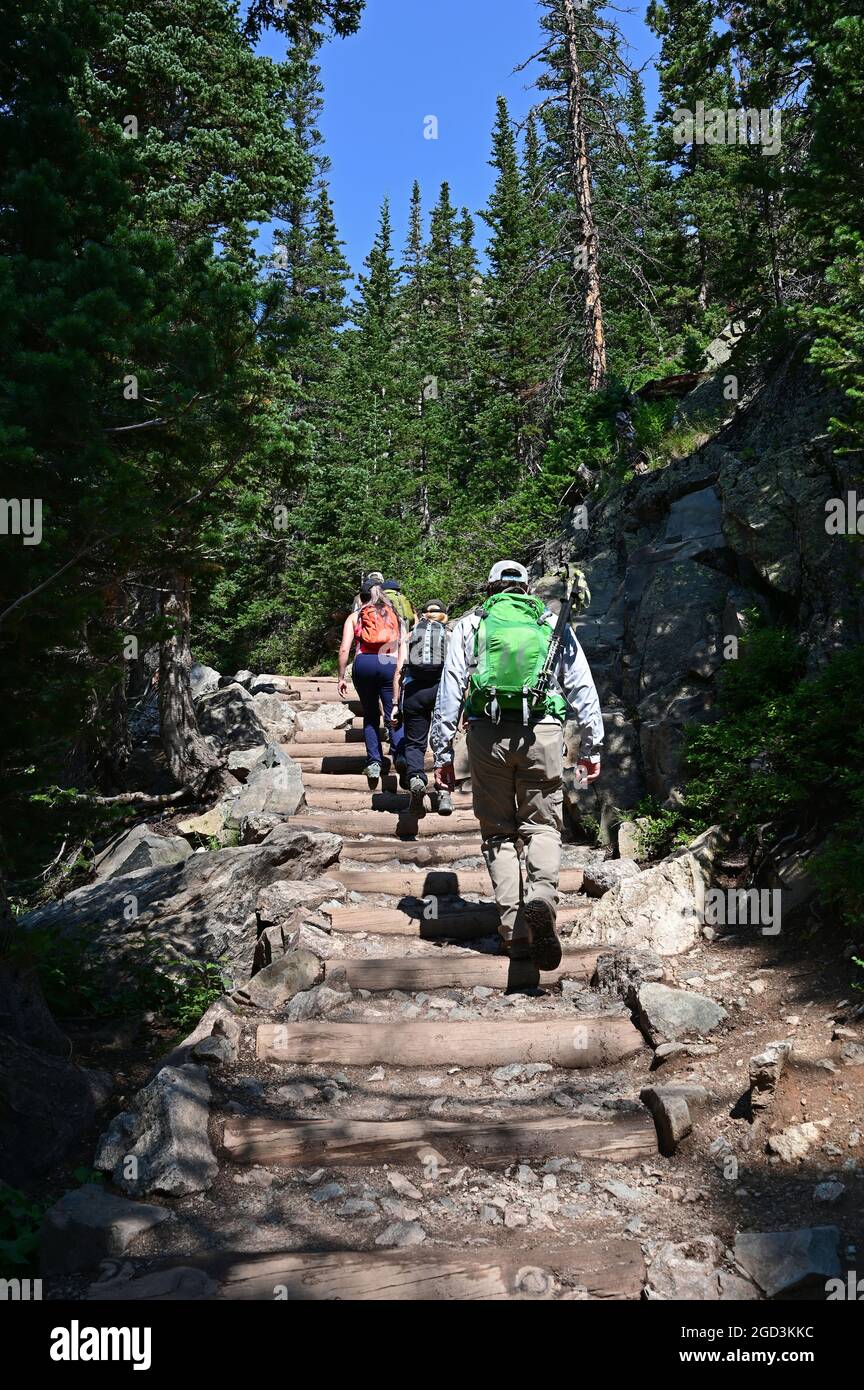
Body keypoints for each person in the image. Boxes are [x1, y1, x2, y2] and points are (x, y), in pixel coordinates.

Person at [430, 560, 603, 967]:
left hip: (487, 735)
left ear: (491, 587)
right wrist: (591, 747)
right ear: (526, 588)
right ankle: (541, 900)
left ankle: (515, 933)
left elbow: (450, 687)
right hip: (542, 732)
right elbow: (581, 685)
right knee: (542, 826)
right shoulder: (550, 624)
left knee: (498, 834)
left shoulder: (473, 625)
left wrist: (441, 753)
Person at [338, 580, 405, 788]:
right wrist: (400, 671)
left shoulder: (355, 616)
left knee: (370, 715)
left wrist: (341, 677)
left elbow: (344, 649)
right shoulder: (395, 615)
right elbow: (403, 645)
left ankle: (374, 761)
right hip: (389, 663)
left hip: (364, 663)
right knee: (393, 712)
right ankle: (400, 757)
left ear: (362, 596)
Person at [391, 600, 451, 814]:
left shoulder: (410, 635)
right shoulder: (448, 635)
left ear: (423, 615)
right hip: (441, 692)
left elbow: (399, 672)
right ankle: (444, 792)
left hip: (414, 692)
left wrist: (396, 704)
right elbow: (460, 673)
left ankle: (416, 777)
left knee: (415, 743)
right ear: (444, 615)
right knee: (443, 741)